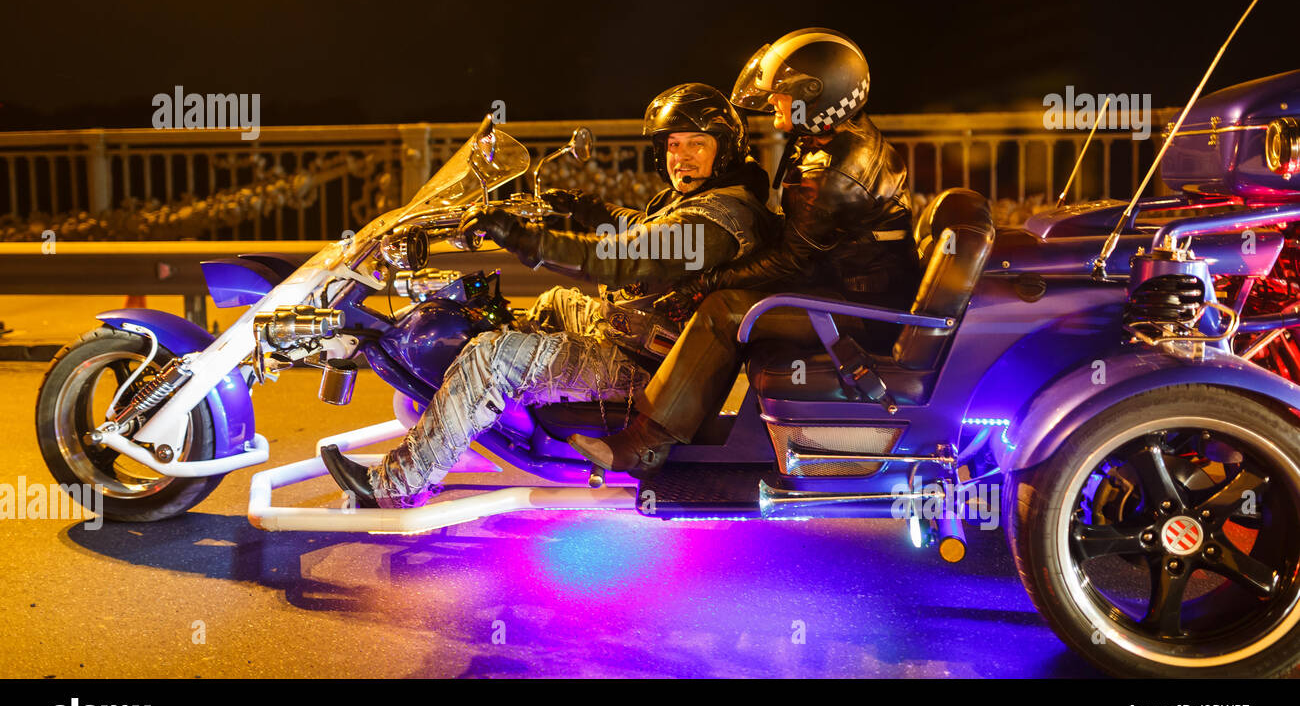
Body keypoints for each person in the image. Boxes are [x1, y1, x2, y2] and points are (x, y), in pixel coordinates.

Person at [322, 83, 778, 507]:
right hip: (641, 333)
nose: (682, 157)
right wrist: (585, 208)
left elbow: (628, 257)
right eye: (673, 145)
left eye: (696, 144)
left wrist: (529, 240)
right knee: (554, 302)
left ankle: (397, 485)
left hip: (650, 369)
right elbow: (645, 230)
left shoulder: (720, 220)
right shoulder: (712, 199)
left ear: (724, 149)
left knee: (490, 355)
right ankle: (490, 412)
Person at [570, 28, 922, 472]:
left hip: (862, 307)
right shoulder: (835, 138)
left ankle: (646, 442)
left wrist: (707, 281)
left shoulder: (833, 173)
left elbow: (792, 260)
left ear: (815, 95)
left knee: (726, 312)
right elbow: (796, 235)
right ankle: (678, 419)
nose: (773, 101)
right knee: (729, 299)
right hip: (846, 286)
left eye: (781, 94)